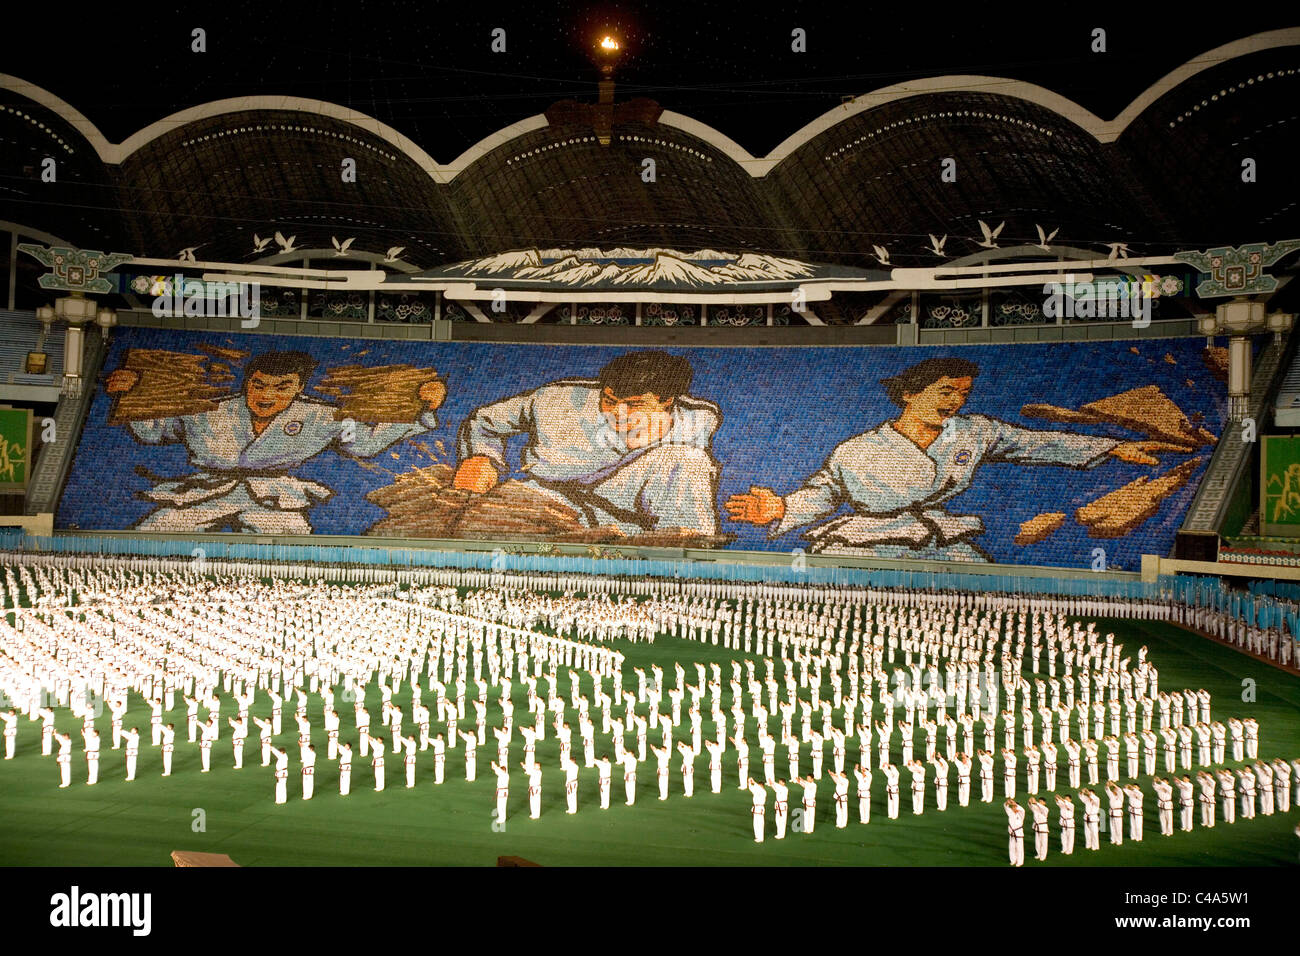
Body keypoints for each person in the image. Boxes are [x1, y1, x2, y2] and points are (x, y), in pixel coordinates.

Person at [725, 357, 1166, 558]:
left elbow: (1035, 443)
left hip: (939, 535)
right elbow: (824, 494)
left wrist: (1110, 446)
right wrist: (782, 507)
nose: (955, 401)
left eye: (963, 394)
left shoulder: (974, 431)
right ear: (911, 394)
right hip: (869, 543)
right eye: (945, 391)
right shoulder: (857, 450)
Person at [106, 350, 444, 533]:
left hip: (274, 498)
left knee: (293, 545)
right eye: (259, 385)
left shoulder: (324, 417)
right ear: (247, 383)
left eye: (281, 387)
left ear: (299, 389)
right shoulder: (207, 410)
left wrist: (421, 408)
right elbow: (153, 433)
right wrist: (129, 395)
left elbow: (366, 444)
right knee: (155, 532)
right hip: (205, 492)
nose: (266, 395)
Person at [453, 351, 722, 538]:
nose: (620, 413)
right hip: (550, 498)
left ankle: (688, 558)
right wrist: (481, 456)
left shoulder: (696, 421)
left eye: (635, 404)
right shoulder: (556, 401)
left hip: (623, 518)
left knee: (689, 461)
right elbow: (484, 420)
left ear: (666, 401)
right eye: (611, 401)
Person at [1005, 799, 1026, 867]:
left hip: (1019, 833)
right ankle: (1013, 860)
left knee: (1019, 848)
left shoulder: (1021, 814)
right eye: (1013, 807)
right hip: (1012, 833)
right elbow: (1005, 807)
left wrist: (1014, 803)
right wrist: (1007, 803)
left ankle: (1020, 861)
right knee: (1012, 847)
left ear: (1017, 807)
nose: (1014, 808)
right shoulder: (1010, 813)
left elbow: (1023, 810)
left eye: (1015, 806)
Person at [1028, 797, 1050, 862]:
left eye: (1041, 801)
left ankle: (1043, 855)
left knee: (1043, 842)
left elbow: (1042, 807)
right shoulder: (1036, 808)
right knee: (1037, 842)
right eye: (1039, 801)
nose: (1039, 802)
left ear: (1044, 803)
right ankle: (1038, 854)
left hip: (1043, 827)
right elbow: (1030, 806)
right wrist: (1030, 801)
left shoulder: (1046, 809)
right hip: (1037, 826)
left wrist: (1036, 802)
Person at [748, 778, 768, 843]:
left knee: (760, 823)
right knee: (755, 823)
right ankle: (757, 836)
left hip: (760, 808)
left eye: (759, 786)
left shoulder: (763, 792)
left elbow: (758, 788)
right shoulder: (757, 791)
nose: (758, 787)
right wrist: (749, 782)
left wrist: (754, 781)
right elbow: (751, 788)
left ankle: (761, 838)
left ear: (762, 786)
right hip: (756, 808)